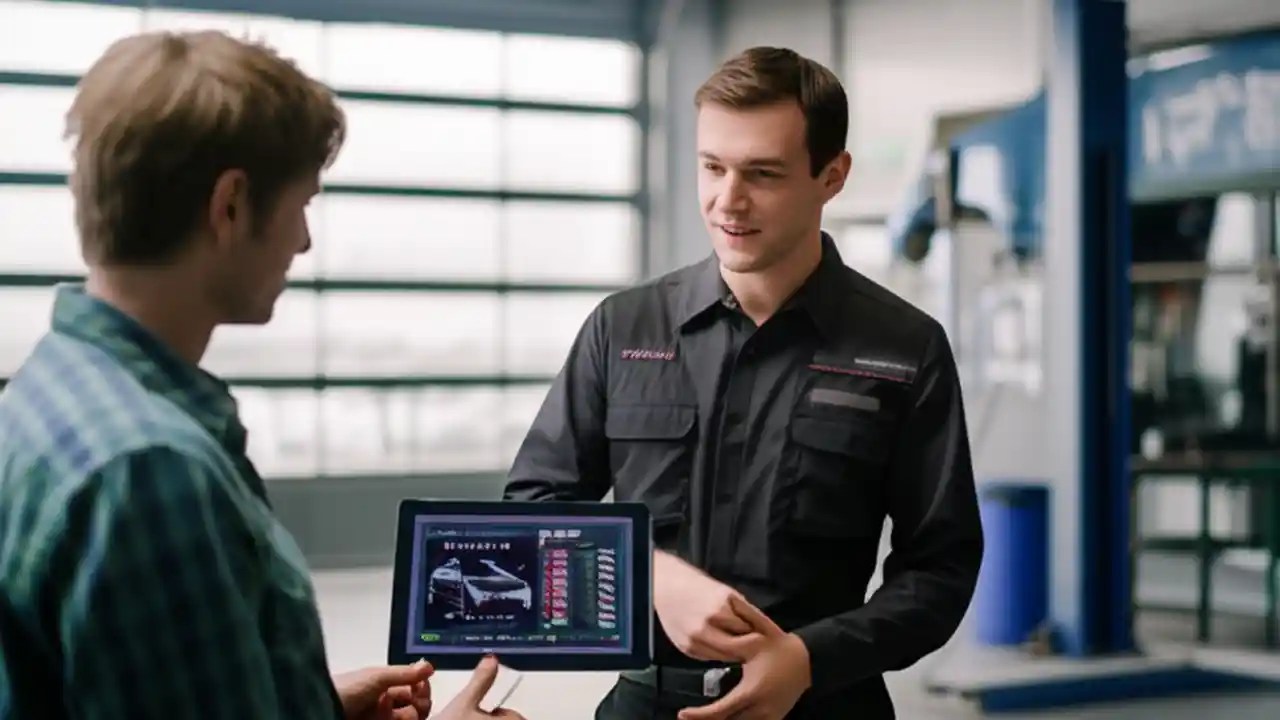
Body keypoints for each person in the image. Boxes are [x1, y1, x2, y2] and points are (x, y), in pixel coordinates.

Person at [0, 30, 524, 720]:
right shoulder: (149, 471)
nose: (303, 241)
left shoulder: (43, 395)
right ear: (231, 205)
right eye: (302, 204)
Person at [504, 46, 983, 720]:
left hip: (825, 704)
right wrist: (645, 573)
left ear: (832, 176)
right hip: (648, 704)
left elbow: (940, 567)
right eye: (712, 167)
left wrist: (812, 658)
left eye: (762, 173)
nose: (728, 200)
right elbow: (532, 509)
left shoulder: (904, 349)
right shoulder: (624, 328)